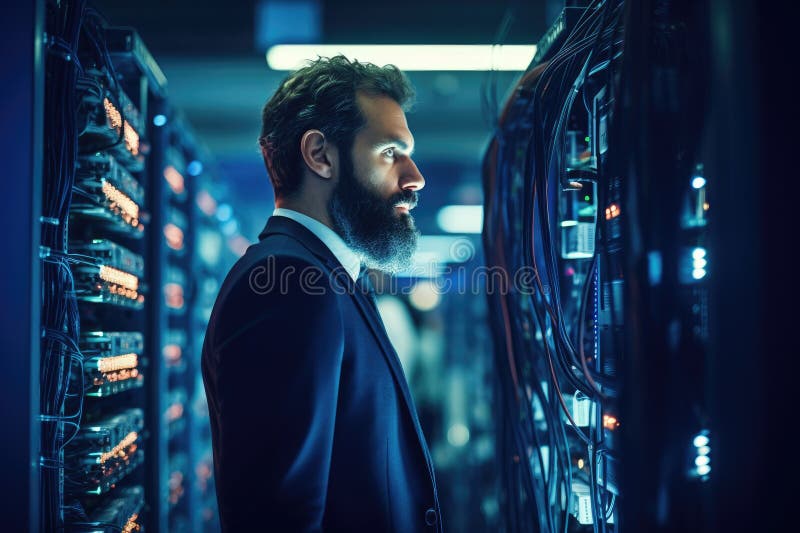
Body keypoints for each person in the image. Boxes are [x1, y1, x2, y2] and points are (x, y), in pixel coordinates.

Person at [201, 55, 442, 532]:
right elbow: (277, 520)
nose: (415, 178)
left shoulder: (328, 279)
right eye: (391, 152)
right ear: (320, 155)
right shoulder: (287, 285)